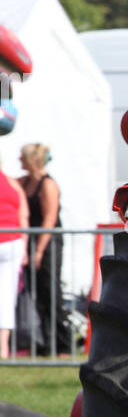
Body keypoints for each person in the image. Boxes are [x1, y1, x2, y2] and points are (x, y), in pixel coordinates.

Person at [18, 142, 72, 356]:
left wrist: (39, 251)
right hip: (33, 242)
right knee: (38, 294)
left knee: (51, 292)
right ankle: (45, 343)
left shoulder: (48, 184)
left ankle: (63, 344)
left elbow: (49, 220)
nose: (19, 161)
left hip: (48, 243)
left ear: (32, 160)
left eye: (22, 157)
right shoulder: (26, 182)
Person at [0, 152, 28, 360]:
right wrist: (25, 247)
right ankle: (3, 348)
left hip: (8, 242)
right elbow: (23, 216)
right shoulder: (13, 183)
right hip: (13, 242)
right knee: (6, 297)